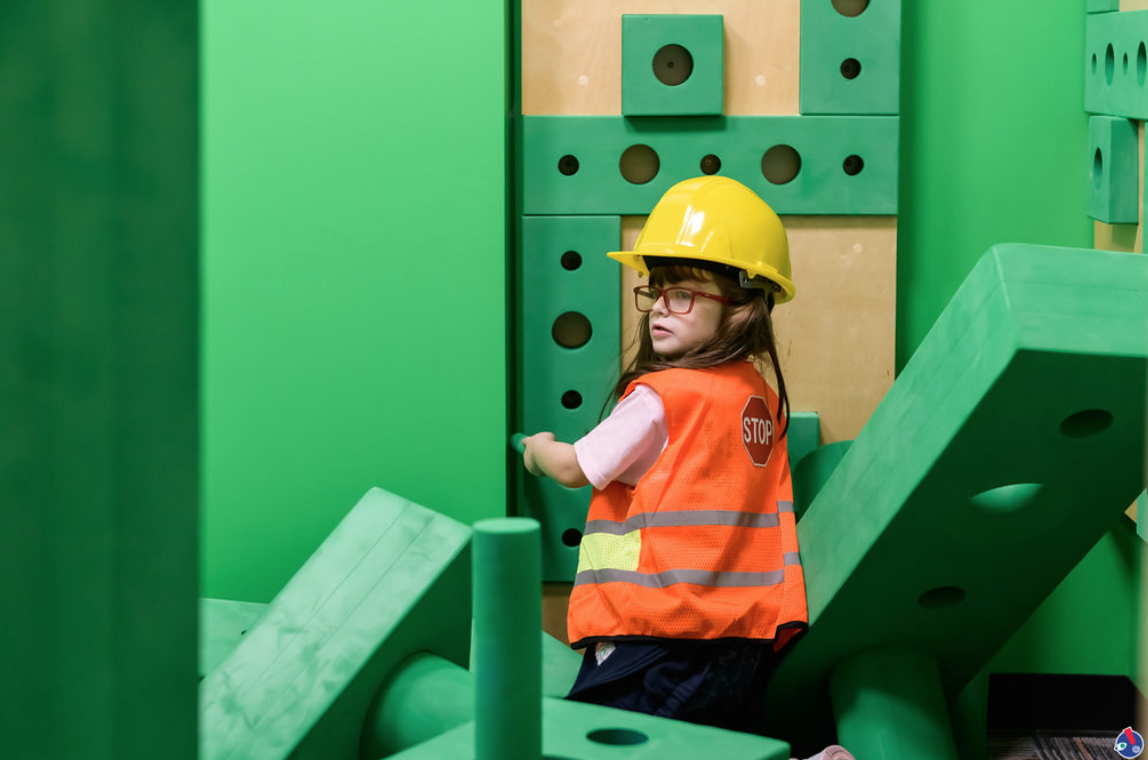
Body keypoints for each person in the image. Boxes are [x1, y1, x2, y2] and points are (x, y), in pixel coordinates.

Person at [521, 177, 845, 759]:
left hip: (660, 634)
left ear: (744, 306)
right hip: (743, 639)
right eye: (657, 291)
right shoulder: (757, 399)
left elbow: (574, 468)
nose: (658, 308)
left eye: (683, 294)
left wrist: (538, 449)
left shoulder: (660, 398)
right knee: (711, 749)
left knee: (606, 751)